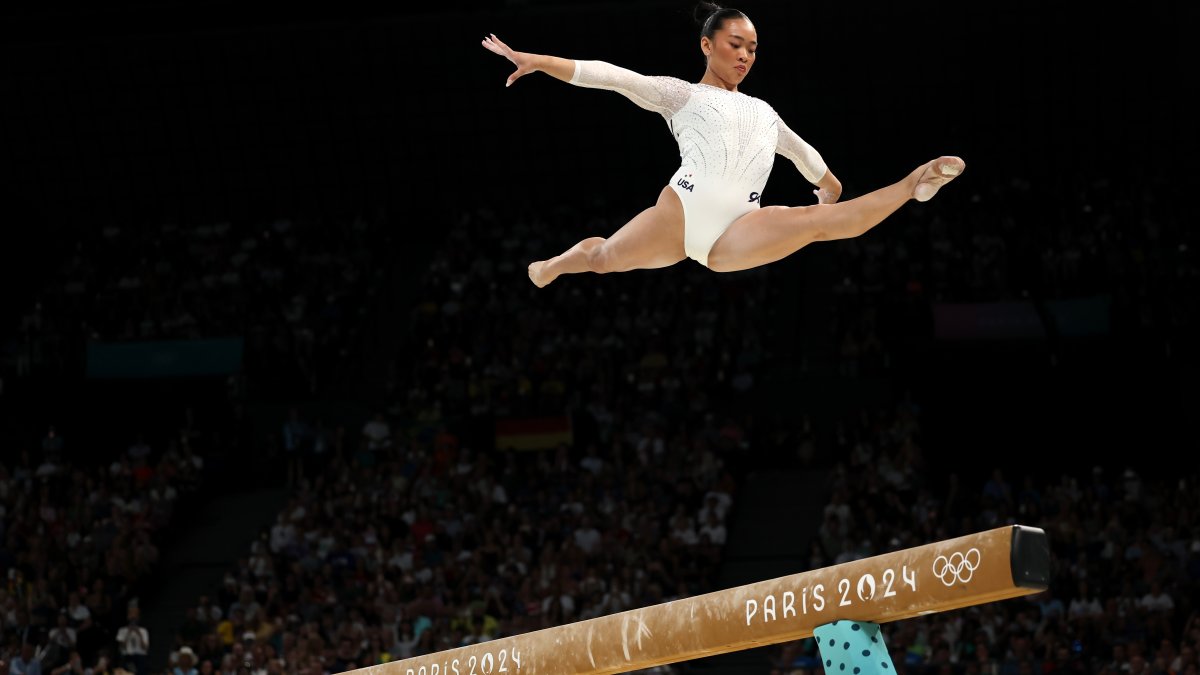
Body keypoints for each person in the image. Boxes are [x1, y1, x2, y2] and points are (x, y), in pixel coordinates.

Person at [482, 2, 964, 287]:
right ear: (707, 45)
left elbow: (805, 156)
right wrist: (539, 61)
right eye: (736, 44)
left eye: (752, 48)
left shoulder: (764, 112)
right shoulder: (681, 94)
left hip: (737, 231)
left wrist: (829, 188)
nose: (745, 55)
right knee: (603, 258)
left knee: (817, 225)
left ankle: (912, 185)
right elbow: (613, 78)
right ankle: (552, 266)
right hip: (681, 213)